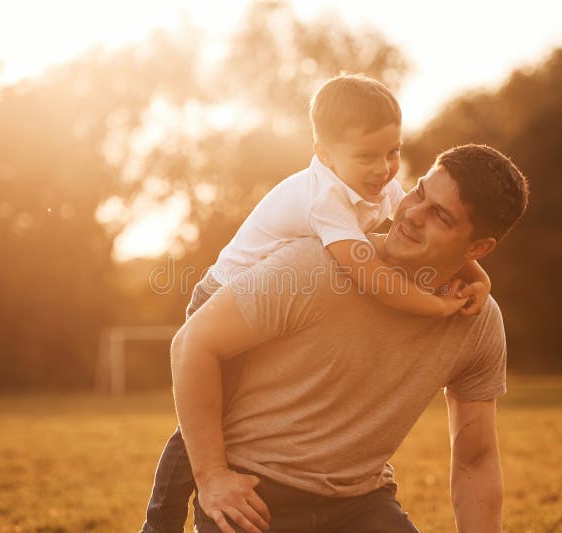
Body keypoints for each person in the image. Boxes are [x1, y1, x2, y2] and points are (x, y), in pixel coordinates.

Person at [140, 74, 492, 533]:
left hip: (273, 300)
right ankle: (160, 521)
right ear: (325, 155)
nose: (384, 169)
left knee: (238, 415)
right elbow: (370, 275)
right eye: (366, 156)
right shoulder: (325, 197)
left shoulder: (381, 186)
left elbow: (431, 235)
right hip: (224, 293)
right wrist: (438, 308)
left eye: (393, 152)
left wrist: (478, 278)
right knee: (210, 418)